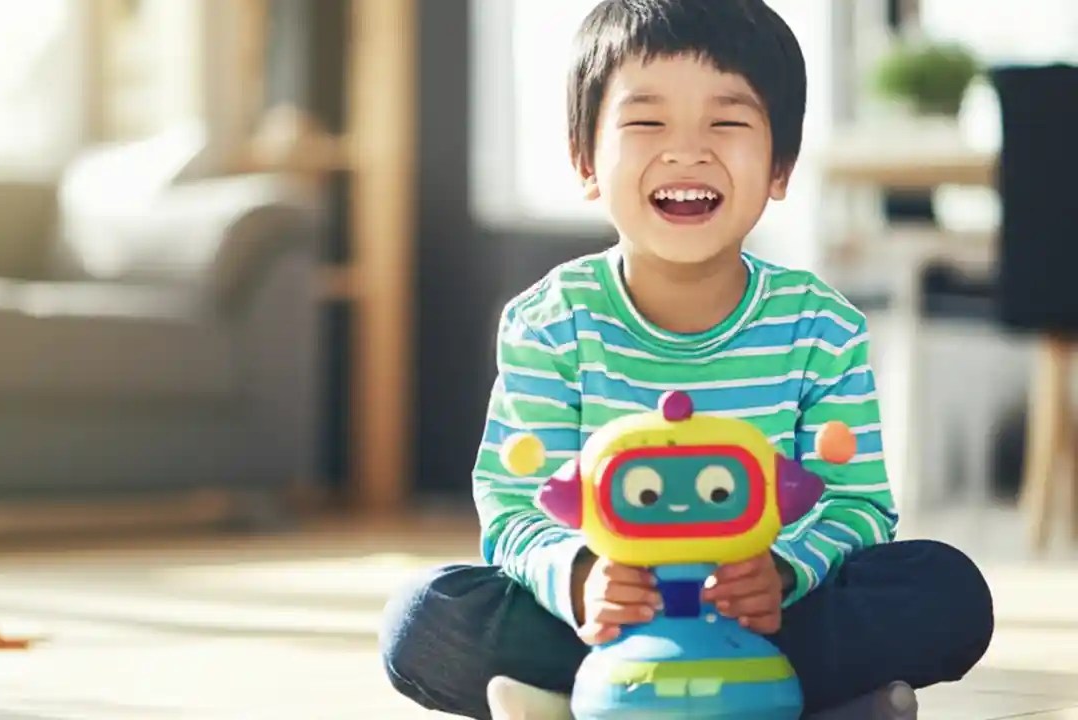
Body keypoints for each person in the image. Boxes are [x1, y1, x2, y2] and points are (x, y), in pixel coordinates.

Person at [379, 1, 995, 718]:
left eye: (727, 124)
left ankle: (683, 697)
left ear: (780, 167)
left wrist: (783, 571)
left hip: (768, 619)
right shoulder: (549, 323)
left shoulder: (822, 327)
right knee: (425, 618)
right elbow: (517, 505)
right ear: (585, 161)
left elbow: (856, 504)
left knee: (947, 590)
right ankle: (657, 697)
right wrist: (579, 578)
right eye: (647, 123)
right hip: (608, 627)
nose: (687, 152)